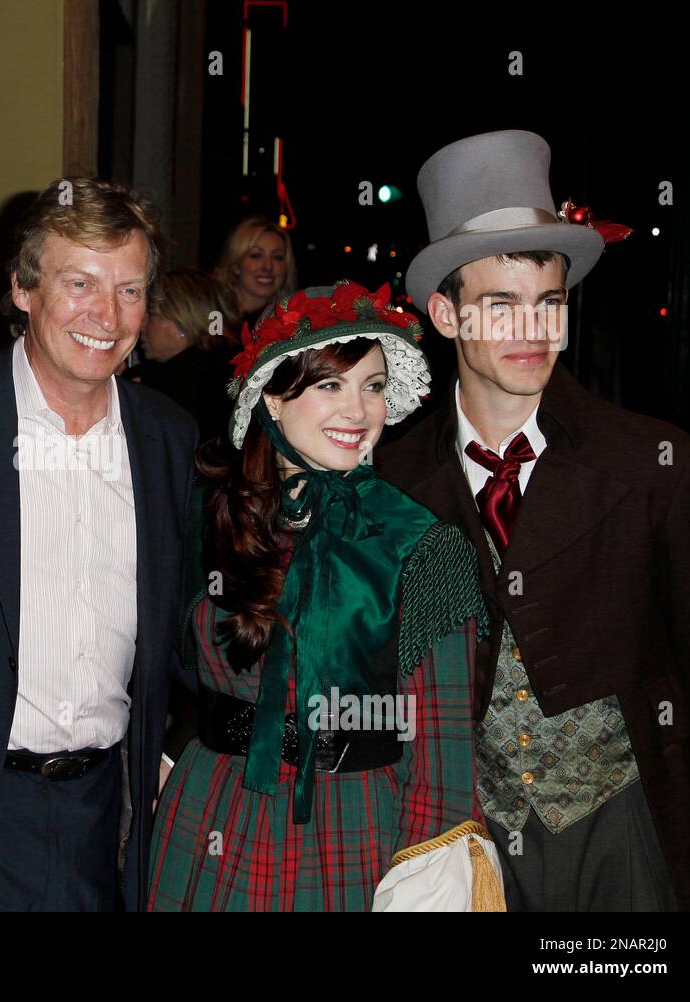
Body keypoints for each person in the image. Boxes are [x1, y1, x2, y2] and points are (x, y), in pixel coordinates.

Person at [378, 130, 690, 910]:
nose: (532, 332)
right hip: (461, 838)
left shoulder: (658, 468)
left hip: (624, 835)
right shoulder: (392, 482)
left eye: (548, 303)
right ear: (445, 313)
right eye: (500, 305)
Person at [0, 177, 198, 910]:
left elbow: (180, 633)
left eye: (129, 290)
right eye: (80, 283)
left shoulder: (168, 439)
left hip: (106, 816)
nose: (106, 315)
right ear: (24, 288)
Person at [148, 281, 487, 910]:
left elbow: (441, 756)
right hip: (212, 805)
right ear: (273, 400)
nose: (358, 412)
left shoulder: (424, 545)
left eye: (374, 386)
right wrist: (164, 756)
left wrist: (425, 880)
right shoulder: (210, 514)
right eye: (331, 385)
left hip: (350, 821)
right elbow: (164, 662)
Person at [131, 267, 238, 442]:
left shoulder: (176, 390)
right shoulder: (229, 374)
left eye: (152, 316)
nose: (141, 326)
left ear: (183, 324)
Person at [212, 216, 298, 342]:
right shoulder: (215, 314)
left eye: (277, 257)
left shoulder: (292, 322)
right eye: (256, 256)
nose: (267, 266)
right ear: (236, 265)